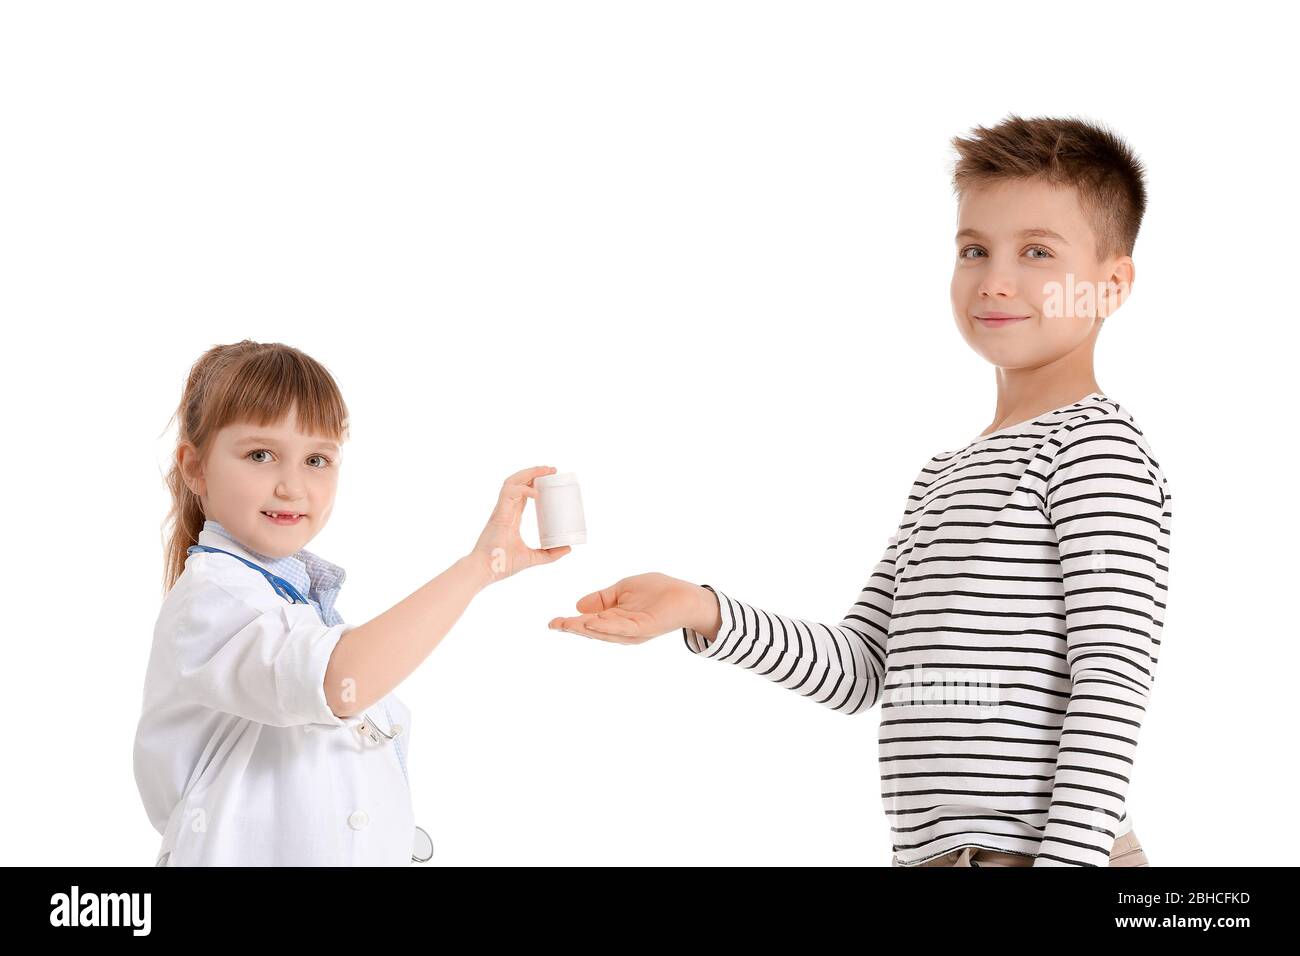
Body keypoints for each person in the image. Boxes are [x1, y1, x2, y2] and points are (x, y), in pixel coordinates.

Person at [549, 114, 1171, 867]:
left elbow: (1111, 688)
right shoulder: (944, 476)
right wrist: (702, 609)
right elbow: (861, 669)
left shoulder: (1094, 451)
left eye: (1037, 252)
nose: (995, 279)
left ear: (1110, 285)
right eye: (974, 249)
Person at [134, 339, 569, 865]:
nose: (292, 485)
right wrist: (480, 566)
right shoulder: (213, 598)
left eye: (317, 459)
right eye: (260, 455)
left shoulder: (295, 603)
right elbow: (337, 681)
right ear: (195, 467)